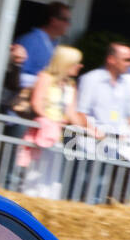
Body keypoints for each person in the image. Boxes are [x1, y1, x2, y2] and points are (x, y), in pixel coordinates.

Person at [19, 45, 88, 199]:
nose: (80, 66)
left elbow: (71, 113)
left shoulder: (70, 85)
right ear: (66, 62)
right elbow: (37, 104)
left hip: (57, 139)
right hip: (41, 136)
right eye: (77, 63)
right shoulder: (45, 77)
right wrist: (52, 122)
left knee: (50, 181)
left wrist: (88, 129)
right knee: (33, 178)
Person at [77, 42, 130, 166]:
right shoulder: (91, 79)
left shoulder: (126, 84)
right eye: (127, 60)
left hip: (112, 149)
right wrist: (93, 131)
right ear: (111, 59)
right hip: (87, 146)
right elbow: (80, 112)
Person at [15, 1, 71, 88]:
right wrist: (43, 83)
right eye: (66, 20)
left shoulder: (54, 43)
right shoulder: (30, 41)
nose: (69, 24)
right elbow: (18, 76)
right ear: (53, 21)